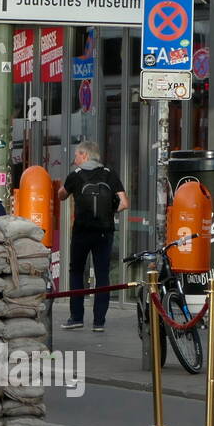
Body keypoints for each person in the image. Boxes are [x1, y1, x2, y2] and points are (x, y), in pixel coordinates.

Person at [57, 140, 129, 331]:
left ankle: (77, 317)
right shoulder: (109, 174)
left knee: (76, 271)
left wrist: (66, 189)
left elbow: (61, 195)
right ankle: (99, 322)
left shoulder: (76, 175)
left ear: (85, 155)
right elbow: (124, 203)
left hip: (81, 231)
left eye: (76, 155)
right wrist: (109, 212)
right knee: (102, 274)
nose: (75, 159)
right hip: (104, 232)